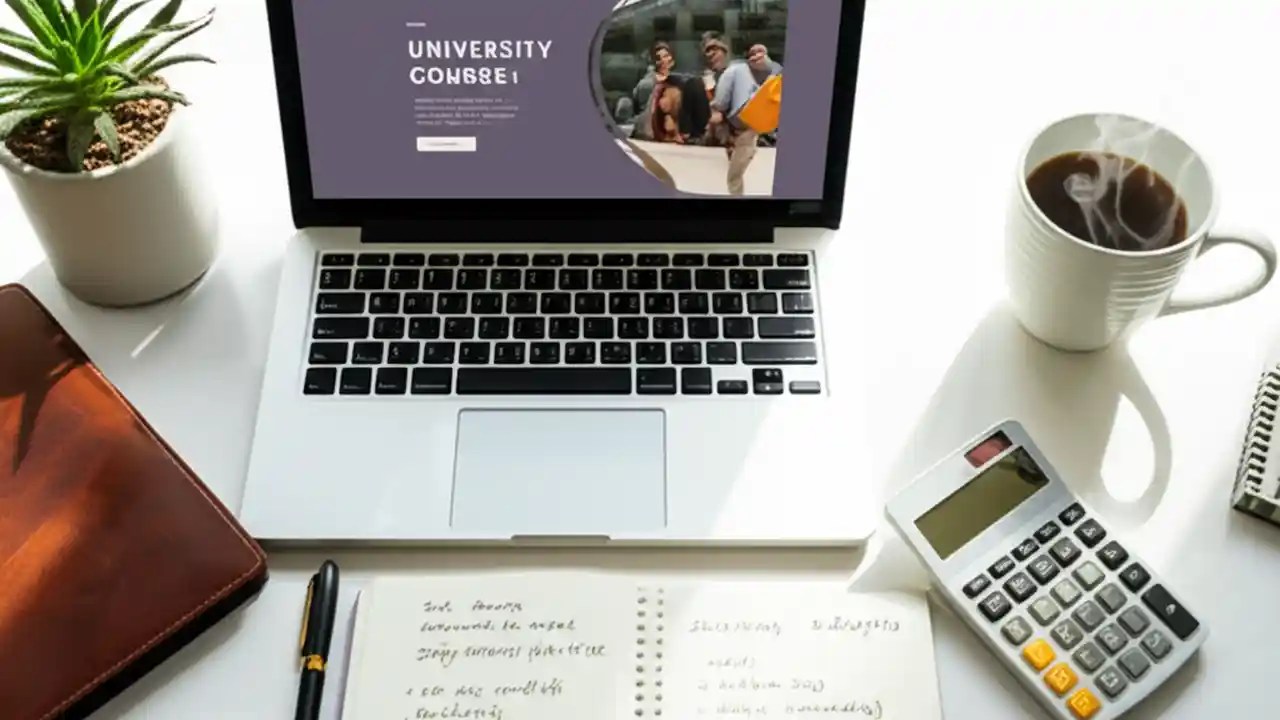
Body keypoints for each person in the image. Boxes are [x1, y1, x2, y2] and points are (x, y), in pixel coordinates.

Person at [707, 43, 783, 195]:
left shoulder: (734, 70)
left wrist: (715, 108)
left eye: (715, 52)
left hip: (742, 128)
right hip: (755, 128)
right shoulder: (776, 74)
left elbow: (721, 102)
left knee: (733, 178)